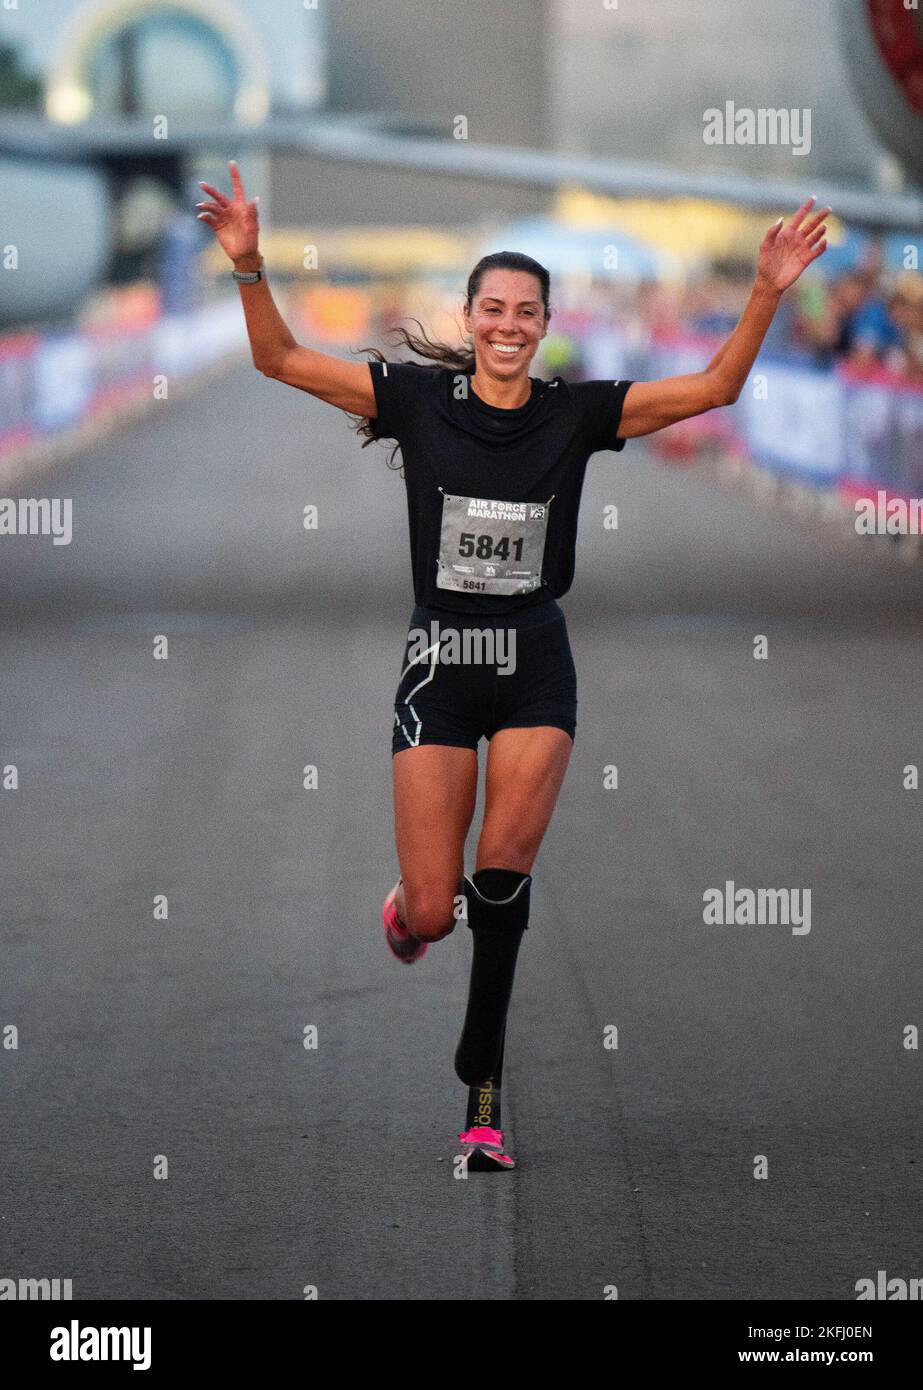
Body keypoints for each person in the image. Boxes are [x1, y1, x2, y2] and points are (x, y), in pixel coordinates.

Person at [196, 162, 829, 1171]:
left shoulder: (577, 414)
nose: (506, 324)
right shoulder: (413, 399)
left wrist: (763, 289)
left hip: (533, 659)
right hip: (441, 659)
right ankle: (407, 911)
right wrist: (249, 265)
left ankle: (481, 1101)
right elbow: (277, 358)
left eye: (524, 311)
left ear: (543, 324)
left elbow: (712, 388)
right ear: (469, 315)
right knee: (439, 907)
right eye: (490, 308)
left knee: (498, 893)